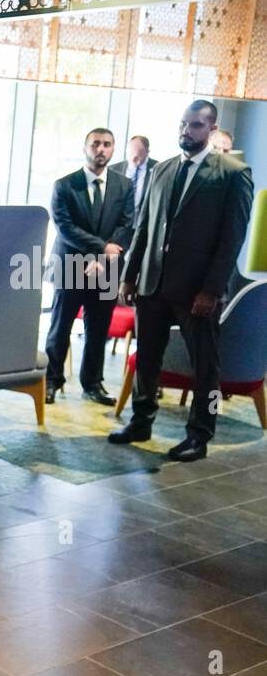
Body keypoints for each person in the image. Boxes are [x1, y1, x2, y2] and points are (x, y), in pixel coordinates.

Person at [111, 100, 254, 461]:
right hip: (153, 284)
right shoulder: (163, 170)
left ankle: (200, 436)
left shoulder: (232, 173)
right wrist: (129, 276)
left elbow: (231, 239)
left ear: (211, 129)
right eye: (182, 124)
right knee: (146, 360)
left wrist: (211, 289)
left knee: (206, 367)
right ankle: (141, 421)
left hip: (197, 291)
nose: (185, 131)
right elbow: (144, 225)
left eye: (194, 126)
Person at [44, 127, 133, 406]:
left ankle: (92, 384)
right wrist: (99, 249)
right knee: (61, 327)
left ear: (113, 149)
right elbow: (65, 228)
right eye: (95, 144)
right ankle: (51, 381)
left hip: (106, 268)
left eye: (107, 144)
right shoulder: (64, 185)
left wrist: (103, 256)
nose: (101, 149)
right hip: (71, 263)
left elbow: (128, 224)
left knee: (98, 329)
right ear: (85, 148)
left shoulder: (124, 185)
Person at [109, 134, 151, 229]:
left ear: (147, 152)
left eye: (139, 152)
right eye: (131, 152)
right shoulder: (113, 170)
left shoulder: (158, 170)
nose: (134, 157)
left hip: (143, 228)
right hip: (119, 228)